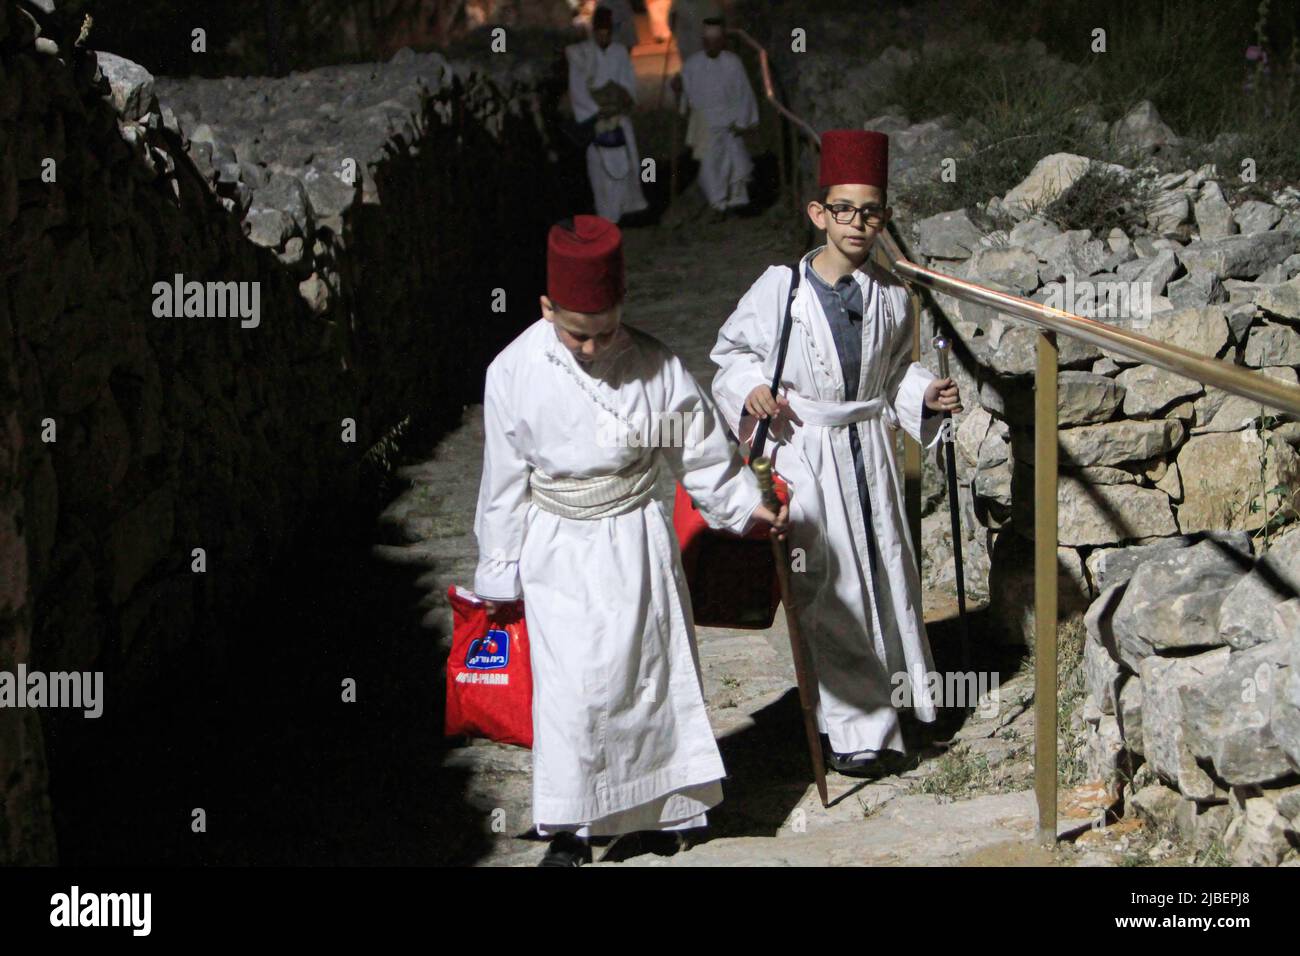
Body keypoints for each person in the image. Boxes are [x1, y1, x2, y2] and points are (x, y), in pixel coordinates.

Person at [473, 215, 789, 866]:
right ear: (545, 307)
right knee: (572, 694)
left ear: (622, 308)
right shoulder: (512, 373)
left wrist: (744, 508)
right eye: (574, 333)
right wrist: (499, 568)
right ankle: (571, 829)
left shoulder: (658, 369)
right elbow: (502, 484)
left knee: (647, 680)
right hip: (556, 546)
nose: (590, 349)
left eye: (604, 331)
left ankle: (666, 812)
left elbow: (701, 458)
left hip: (635, 543)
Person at [709, 130, 964, 778]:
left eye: (870, 210)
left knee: (882, 575)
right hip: (807, 446)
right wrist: (753, 388)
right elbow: (729, 358)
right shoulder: (781, 290)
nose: (857, 223)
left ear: (883, 217)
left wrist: (924, 394)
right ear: (818, 213)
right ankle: (854, 726)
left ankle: (887, 703)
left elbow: (891, 376)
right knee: (830, 585)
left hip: (869, 451)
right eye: (843, 209)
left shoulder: (890, 295)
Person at [565, 7, 649, 223]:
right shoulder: (581, 54)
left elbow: (628, 83)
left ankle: (626, 211)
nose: (604, 37)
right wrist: (597, 110)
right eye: (599, 32)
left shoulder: (620, 52)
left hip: (619, 119)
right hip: (597, 121)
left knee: (626, 168)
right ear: (594, 31)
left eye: (607, 32)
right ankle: (606, 216)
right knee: (601, 172)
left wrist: (621, 99)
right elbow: (578, 89)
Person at [672, 16, 759, 215]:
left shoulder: (733, 62)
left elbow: (743, 93)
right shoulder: (692, 64)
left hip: (729, 125)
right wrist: (677, 90)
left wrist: (742, 120)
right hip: (705, 125)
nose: (712, 46)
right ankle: (716, 204)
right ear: (703, 42)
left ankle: (736, 204)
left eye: (716, 41)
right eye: (708, 42)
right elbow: (683, 96)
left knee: (734, 164)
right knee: (710, 167)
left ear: (723, 42)